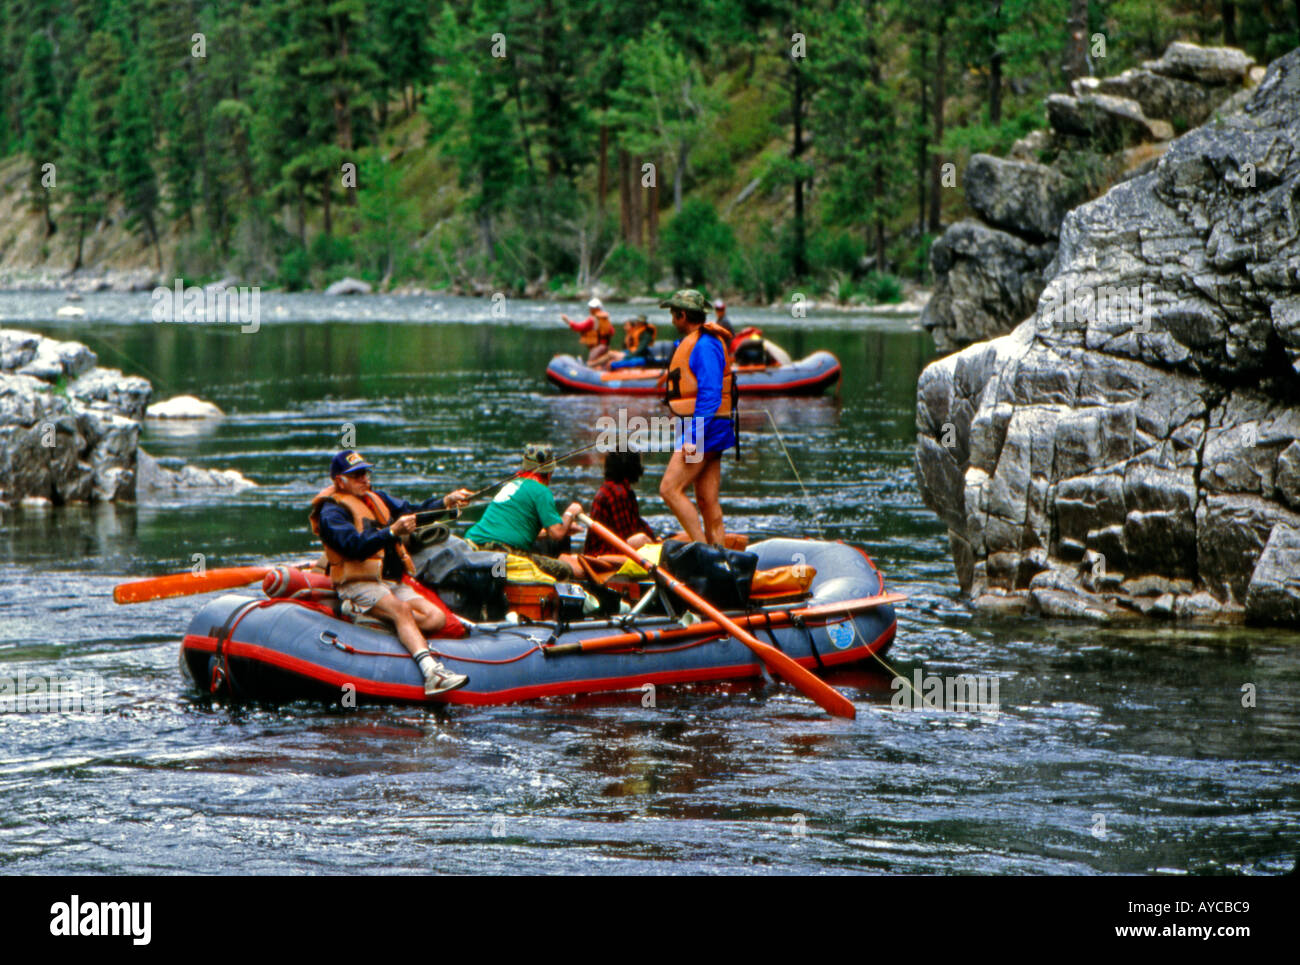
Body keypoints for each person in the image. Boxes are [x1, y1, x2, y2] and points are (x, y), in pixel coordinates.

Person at [309, 450, 473, 696]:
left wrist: (446, 502)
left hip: (387, 582)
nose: (365, 478)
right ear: (339, 481)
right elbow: (355, 546)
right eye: (357, 475)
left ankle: (371, 618)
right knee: (402, 611)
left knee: (436, 618)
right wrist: (392, 532)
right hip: (357, 583)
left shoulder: (377, 498)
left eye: (366, 472)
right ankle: (432, 673)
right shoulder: (331, 512)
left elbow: (413, 511)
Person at [658, 289, 737, 546]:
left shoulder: (705, 345)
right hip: (710, 430)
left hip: (704, 432)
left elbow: (711, 395)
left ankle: (703, 550)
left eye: (673, 314)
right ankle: (719, 555)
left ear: (683, 315)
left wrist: (693, 437)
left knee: (669, 490)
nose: (672, 320)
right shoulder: (699, 342)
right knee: (706, 499)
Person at [465, 443, 584, 580]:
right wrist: (571, 511)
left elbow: (519, 529)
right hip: (500, 553)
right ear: (550, 473)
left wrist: (564, 527)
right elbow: (557, 533)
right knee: (565, 570)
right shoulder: (541, 491)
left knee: (497, 578)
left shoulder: (512, 484)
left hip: (474, 545)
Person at [584, 449, 655, 556]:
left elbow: (637, 523)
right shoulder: (618, 493)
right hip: (602, 553)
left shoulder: (615, 488)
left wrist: (653, 538)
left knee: (645, 538)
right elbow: (627, 534)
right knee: (641, 539)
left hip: (605, 548)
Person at [561, 297, 616, 368]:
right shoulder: (605, 319)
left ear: (596, 308)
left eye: (592, 307)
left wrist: (567, 321)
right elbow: (612, 332)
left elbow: (579, 327)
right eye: (590, 307)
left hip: (597, 347)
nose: (590, 309)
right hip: (605, 346)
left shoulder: (592, 320)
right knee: (602, 365)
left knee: (591, 364)